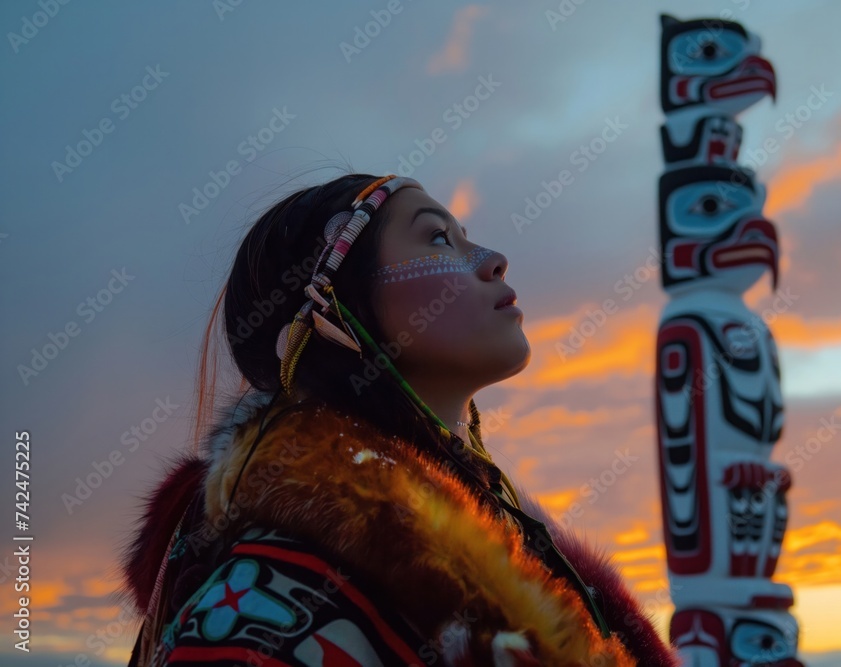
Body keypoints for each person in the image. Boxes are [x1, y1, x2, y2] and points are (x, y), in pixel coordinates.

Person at [113, 173, 679, 666]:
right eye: (437, 237)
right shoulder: (279, 593)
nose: (493, 258)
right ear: (331, 305)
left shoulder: (523, 556)